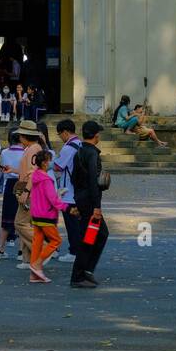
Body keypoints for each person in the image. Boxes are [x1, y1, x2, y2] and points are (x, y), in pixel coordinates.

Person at [70, 120, 109, 289]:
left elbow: (73, 178)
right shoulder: (92, 153)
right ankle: (79, 275)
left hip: (81, 198)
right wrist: (97, 206)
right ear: (95, 135)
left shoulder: (79, 151)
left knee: (98, 235)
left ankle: (86, 271)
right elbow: (93, 181)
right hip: (89, 201)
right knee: (91, 237)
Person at [28, 148, 73, 284]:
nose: (51, 163)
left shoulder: (36, 176)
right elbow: (52, 199)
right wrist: (66, 207)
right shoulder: (46, 179)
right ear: (45, 163)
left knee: (37, 242)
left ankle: (34, 274)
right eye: (50, 160)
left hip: (36, 214)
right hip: (46, 215)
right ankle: (38, 264)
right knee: (56, 241)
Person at [13, 124, 44, 269]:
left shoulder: (33, 149)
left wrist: (26, 191)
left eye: (20, 135)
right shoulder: (32, 148)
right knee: (28, 223)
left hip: (31, 191)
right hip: (31, 189)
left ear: (25, 136)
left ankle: (42, 249)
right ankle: (28, 259)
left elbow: (33, 173)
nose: (19, 138)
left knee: (20, 223)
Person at [53, 119, 83, 263]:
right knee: (79, 223)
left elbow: (58, 167)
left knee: (71, 225)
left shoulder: (68, 148)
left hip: (68, 193)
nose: (60, 137)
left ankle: (74, 252)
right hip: (79, 191)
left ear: (65, 132)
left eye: (60, 134)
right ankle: (81, 250)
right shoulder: (80, 144)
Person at [0, 129, 23, 259]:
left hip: (9, 185)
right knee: (23, 220)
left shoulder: (5, 152)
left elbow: (1, 165)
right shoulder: (26, 152)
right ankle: (21, 251)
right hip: (22, 184)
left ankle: (0, 250)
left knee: (6, 219)